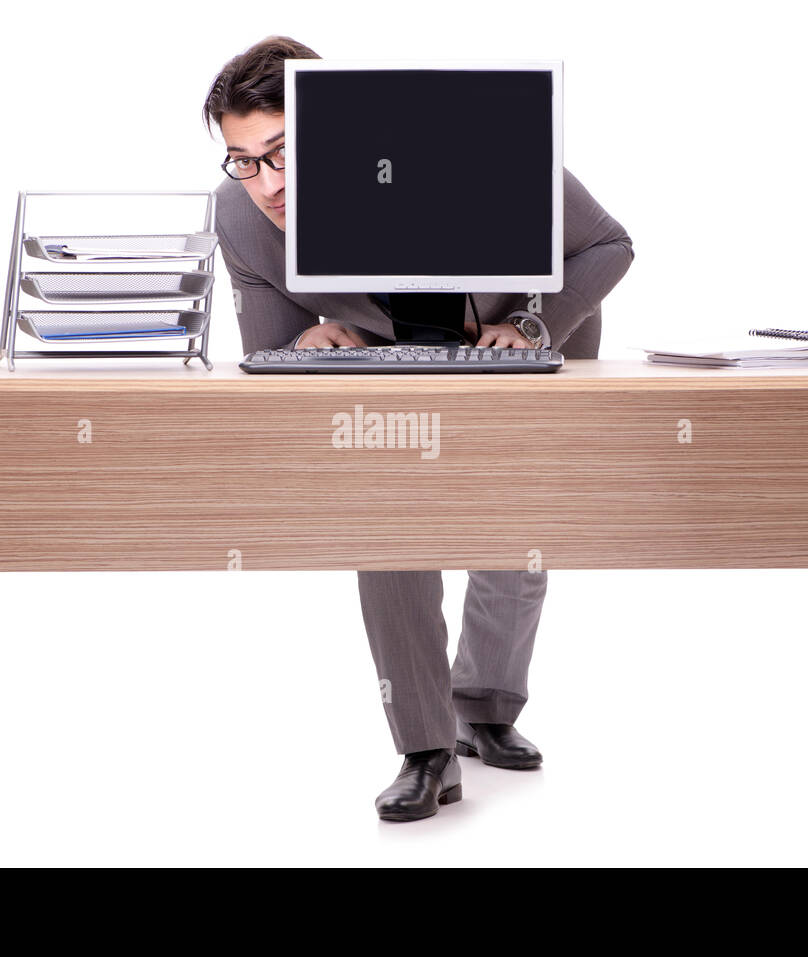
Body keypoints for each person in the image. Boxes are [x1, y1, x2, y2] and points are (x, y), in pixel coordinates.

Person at [202, 36, 634, 822]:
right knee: (388, 520)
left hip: (521, 328)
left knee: (516, 526)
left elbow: (608, 243)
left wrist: (538, 323)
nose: (266, 183)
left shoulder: (481, 148)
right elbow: (267, 343)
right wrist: (305, 342)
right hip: (391, 360)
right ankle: (426, 746)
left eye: (283, 153)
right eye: (243, 159)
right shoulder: (242, 214)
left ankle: (487, 703)